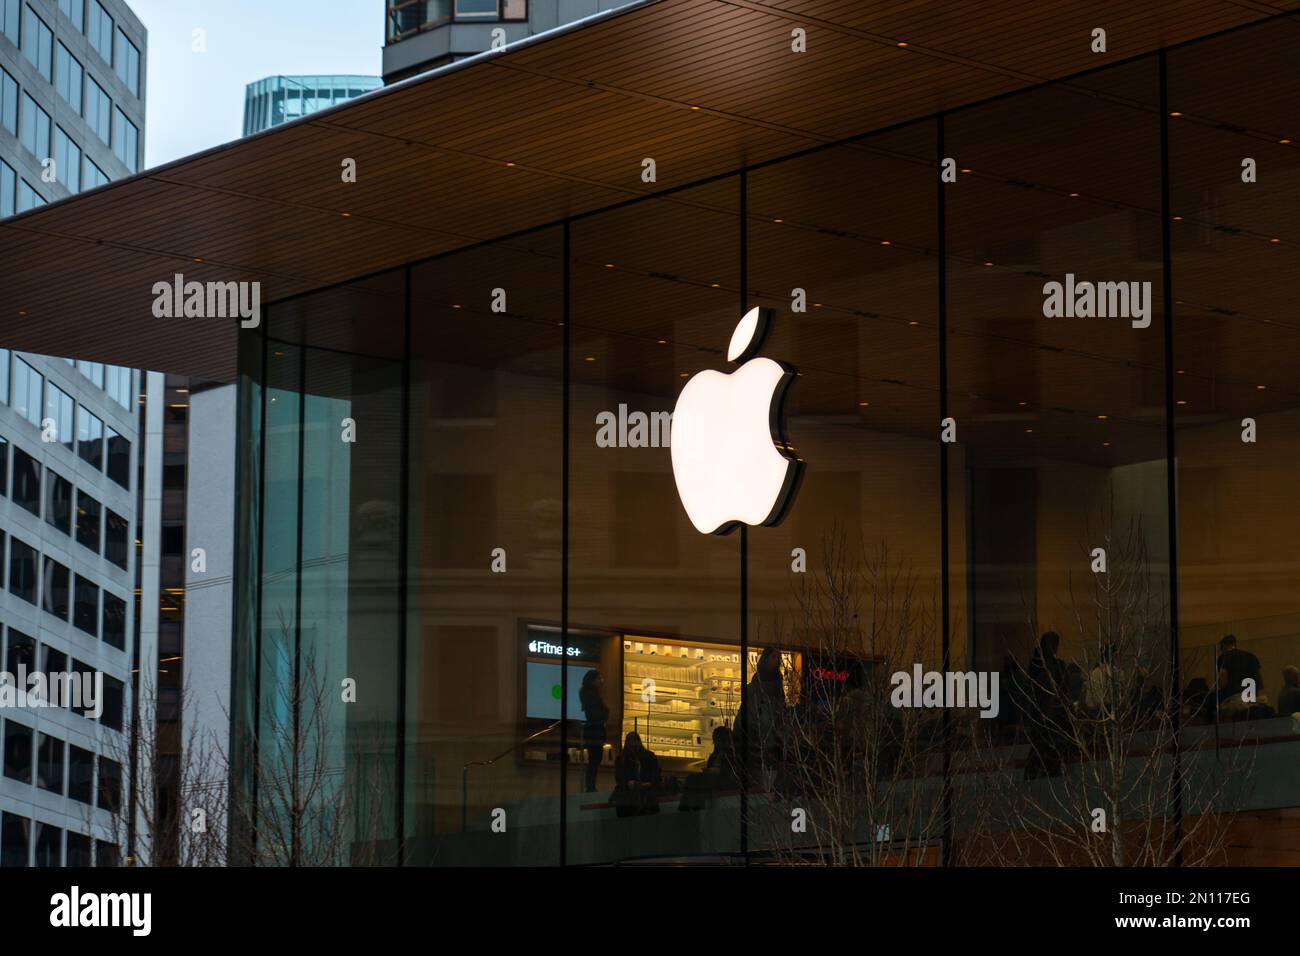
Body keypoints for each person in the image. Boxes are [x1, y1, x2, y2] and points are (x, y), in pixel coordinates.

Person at [736, 647, 786, 784]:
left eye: (778, 658)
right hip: (758, 733)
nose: (777, 661)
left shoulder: (778, 682)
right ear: (766, 659)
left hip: (771, 734)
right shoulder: (756, 685)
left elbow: (780, 707)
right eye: (774, 657)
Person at [1025, 631, 1068, 779]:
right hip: (1046, 713)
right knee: (1044, 745)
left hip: (1049, 713)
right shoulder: (1040, 665)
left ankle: (1046, 773)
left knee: (1047, 746)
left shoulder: (1043, 664)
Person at [613, 731, 661, 817]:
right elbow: (619, 778)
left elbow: (655, 776)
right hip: (632, 797)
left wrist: (641, 784)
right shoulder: (622, 758)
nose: (633, 747)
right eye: (631, 744)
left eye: (634, 743)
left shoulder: (622, 758)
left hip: (637, 797)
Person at [578, 669, 609, 793]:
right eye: (599, 678)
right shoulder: (592, 695)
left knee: (593, 760)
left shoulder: (586, 693)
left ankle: (590, 786)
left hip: (591, 730)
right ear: (593, 680)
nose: (601, 681)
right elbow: (597, 715)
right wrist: (606, 711)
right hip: (595, 731)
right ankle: (590, 787)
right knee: (595, 760)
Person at [1216, 635, 1262, 706]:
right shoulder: (1251, 656)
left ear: (1224, 646)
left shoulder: (1223, 657)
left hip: (1233, 699)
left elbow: (1223, 681)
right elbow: (1259, 679)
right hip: (1251, 697)